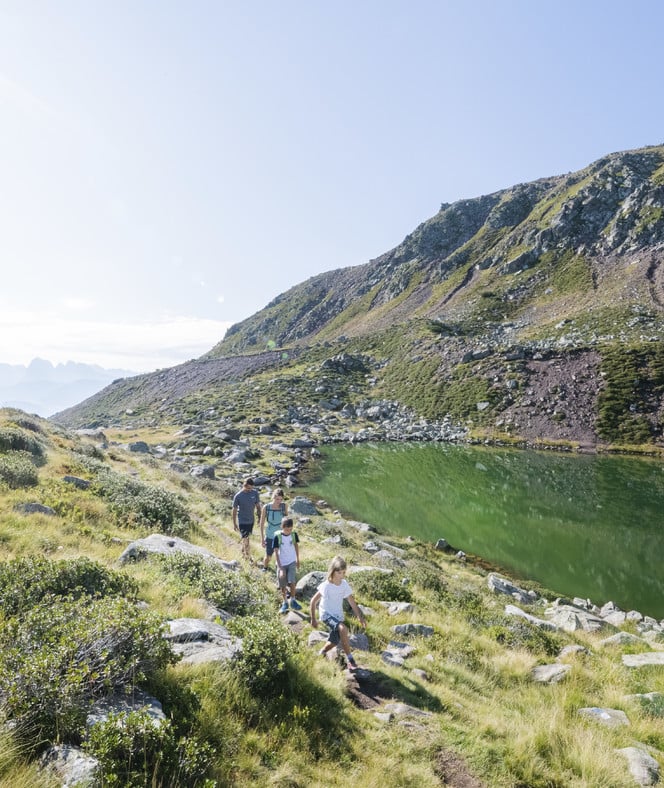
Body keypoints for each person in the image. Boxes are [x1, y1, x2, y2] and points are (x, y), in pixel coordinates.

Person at [309, 555, 366, 671]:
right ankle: (350, 660)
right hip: (326, 614)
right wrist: (313, 619)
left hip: (337, 615)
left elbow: (351, 601)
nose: (342, 575)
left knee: (334, 641)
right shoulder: (326, 586)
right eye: (339, 573)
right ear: (333, 571)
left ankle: (321, 652)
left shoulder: (344, 584)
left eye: (343, 573)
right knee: (343, 629)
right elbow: (313, 601)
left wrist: (359, 616)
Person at [273, 517, 301, 613]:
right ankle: (285, 603)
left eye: (290, 529)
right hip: (281, 563)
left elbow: (296, 546)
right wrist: (280, 568)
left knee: (292, 582)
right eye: (286, 529)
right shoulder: (277, 537)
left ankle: (293, 600)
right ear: (282, 527)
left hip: (291, 561)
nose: (288, 531)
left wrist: (297, 559)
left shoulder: (294, 535)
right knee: (283, 585)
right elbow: (276, 553)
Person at [232, 477, 262, 562]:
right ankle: (248, 556)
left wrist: (259, 518)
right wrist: (234, 523)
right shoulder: (238, 496)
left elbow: (258, 507)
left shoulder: (254, 493)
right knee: (246, 538)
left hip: (251, 520)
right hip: (242, 520)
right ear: (244, 486)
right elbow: (234, 510)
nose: (250, 490)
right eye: (248, 488)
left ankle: (243, 551)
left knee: (247, 537)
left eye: (251, 488)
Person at [259, 488, 288, 571]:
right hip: (270, 535)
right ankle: (265, 568)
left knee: (281, 556)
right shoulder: (266, 507)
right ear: (273, 497)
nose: (279, 501)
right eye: (277, 499)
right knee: (268, 556)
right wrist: (262, 538)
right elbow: (261, 523)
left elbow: (286, 520)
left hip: (281, 535)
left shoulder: (284, 506)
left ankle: (280, 571)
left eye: (281, 499)